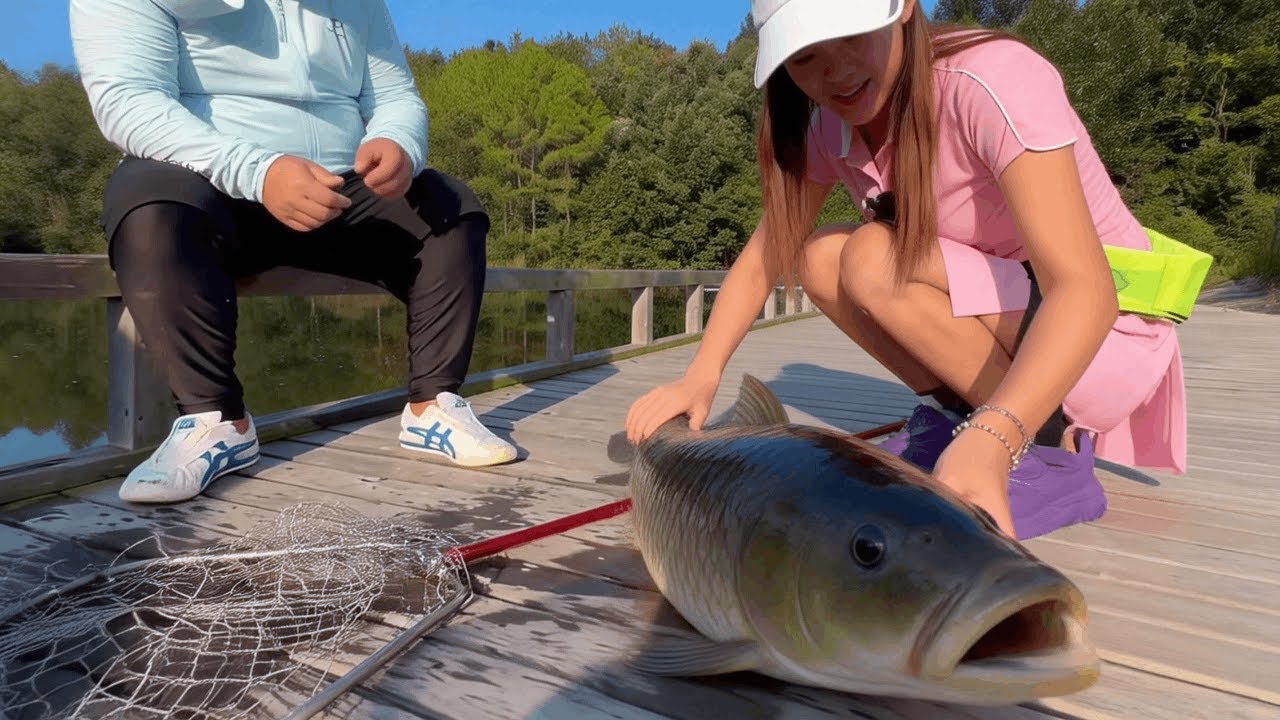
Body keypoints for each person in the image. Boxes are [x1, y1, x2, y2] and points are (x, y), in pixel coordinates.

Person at [624, 0, 1187, 541]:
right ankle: (962, 418)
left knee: (870, 255)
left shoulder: (994, 80)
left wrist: (994, 438)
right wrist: (701, 375)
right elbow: (763, 257)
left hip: (1103, 339)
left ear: (904, 6)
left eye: (851, 33)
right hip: (1017, 324)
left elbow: (1086, 292)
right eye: (805, 56)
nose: (836, 71)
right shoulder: (830, 129)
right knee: (818, 257)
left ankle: (1039, 448)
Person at [70, 0, 518, 504]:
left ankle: (432, 408)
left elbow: (395, 95)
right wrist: (259, 172)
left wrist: (397, 141)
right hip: (211, 186)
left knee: (449, 204)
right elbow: (127, 102)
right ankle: (217, 421)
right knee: (147, 199)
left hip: (341, 187)